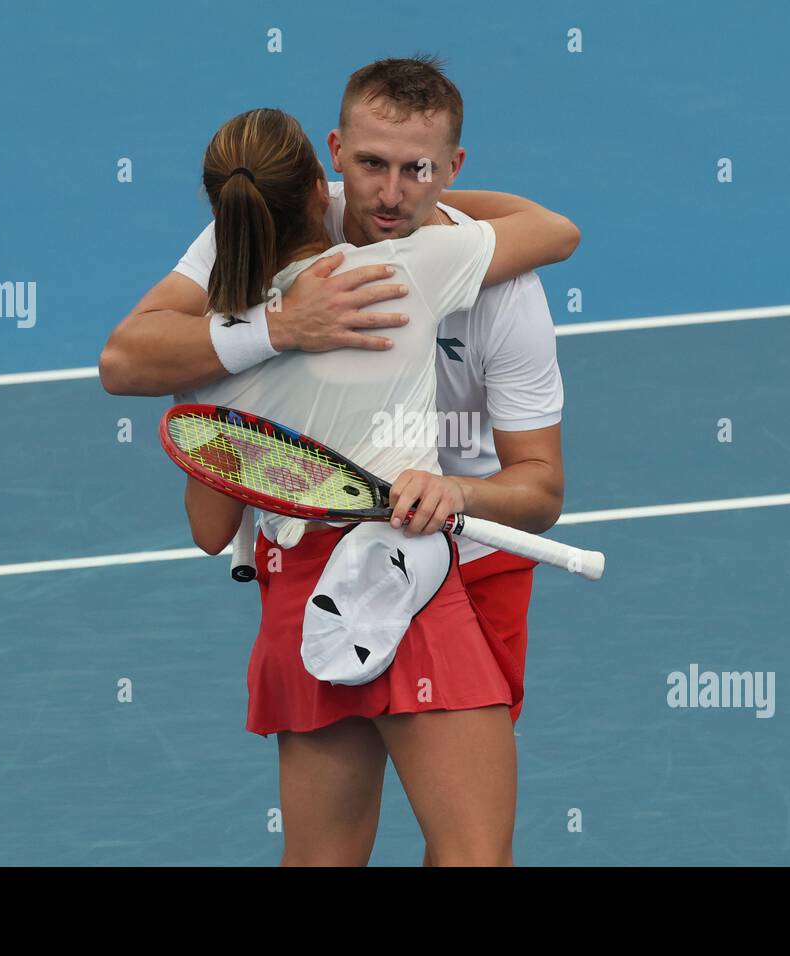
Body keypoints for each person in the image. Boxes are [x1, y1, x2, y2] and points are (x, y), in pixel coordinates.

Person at [100, 57, 572, 865]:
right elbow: (559, 229)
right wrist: (281, 330)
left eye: (416, 170)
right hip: (401, 576)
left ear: (451, 169)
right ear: (329, 168)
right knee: (472, 852)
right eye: (371, 166)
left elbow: (208, 525)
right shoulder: (398, 270)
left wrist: (236, 353)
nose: (391, 195)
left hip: (445, 555)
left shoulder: (238, 281)